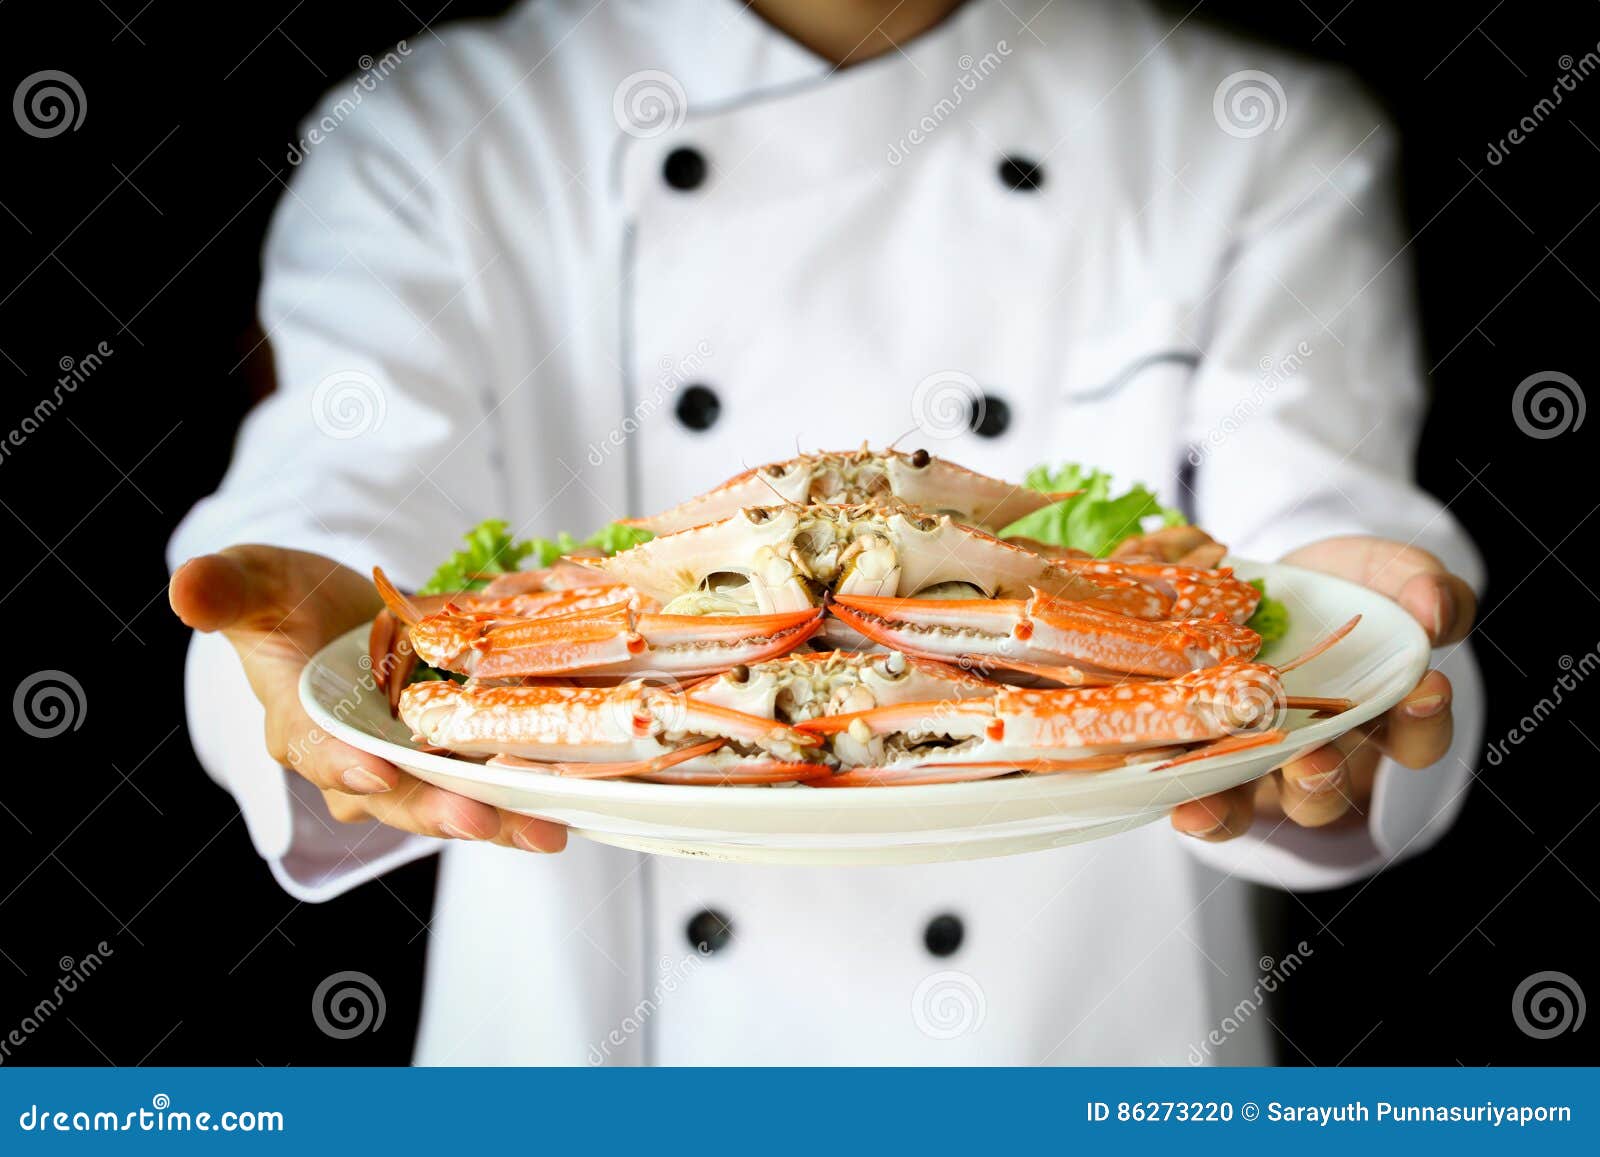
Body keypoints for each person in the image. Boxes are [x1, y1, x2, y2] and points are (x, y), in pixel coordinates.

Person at [167, 0, 1482, 1064]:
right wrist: (314, 658)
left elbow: (1312, 546)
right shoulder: (436, 128)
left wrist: (1350, 670)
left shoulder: (1252, 136)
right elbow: (346, 509)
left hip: (1076, 1047)